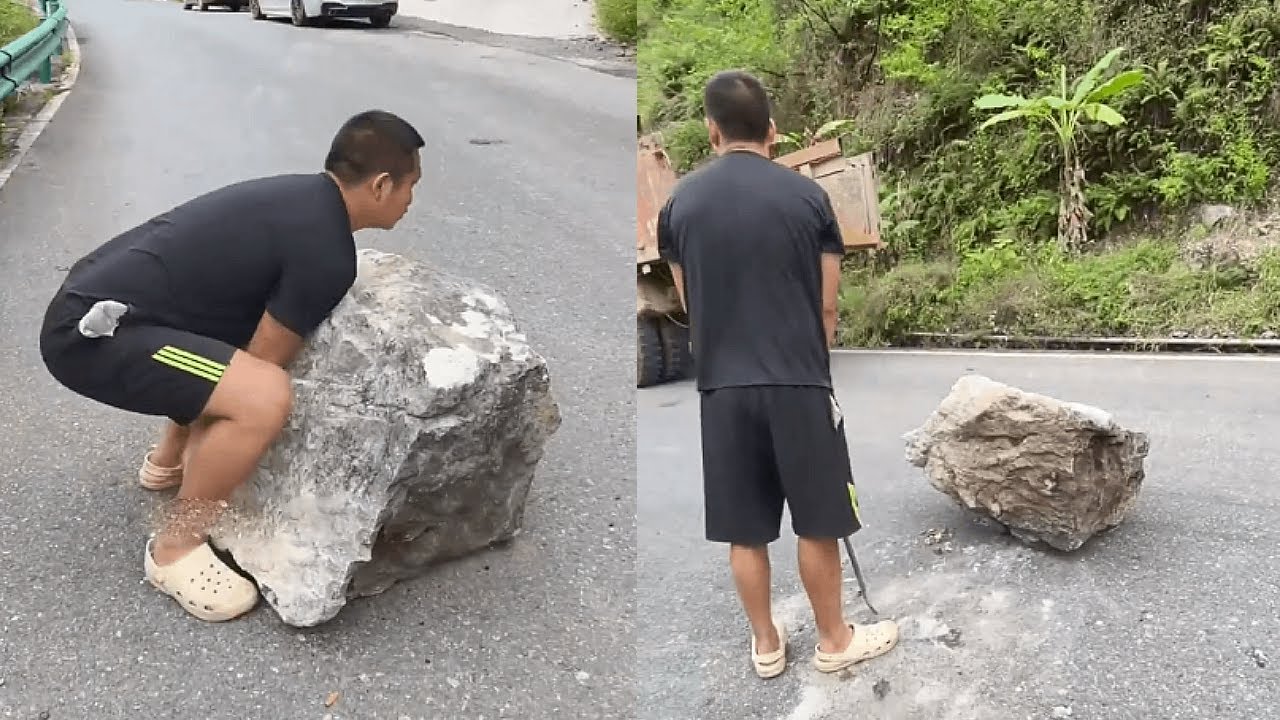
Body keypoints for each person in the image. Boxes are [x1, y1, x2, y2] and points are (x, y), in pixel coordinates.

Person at [38, 109, 425, 623]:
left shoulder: (298, 198)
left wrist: (181, 449)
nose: (412, 201)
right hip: (96, 336)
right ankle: (176, 546)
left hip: (102, 308)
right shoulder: (328, 252)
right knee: (263, 396)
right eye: (410, 186)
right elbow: (254, 370)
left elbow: (220, 345)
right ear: (381, 185)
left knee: (228, 364)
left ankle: (164, 464)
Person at [656, 70, 900, 678]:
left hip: (723, 387)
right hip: (798, 381)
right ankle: (833, 640)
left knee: (747, 529)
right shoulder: (808, 198)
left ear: (711, 132)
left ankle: (766, 643)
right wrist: (812, 361)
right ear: (771, 130)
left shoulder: (679, 205)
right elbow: (827, 304)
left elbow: (689, 302)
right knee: (817, 522)